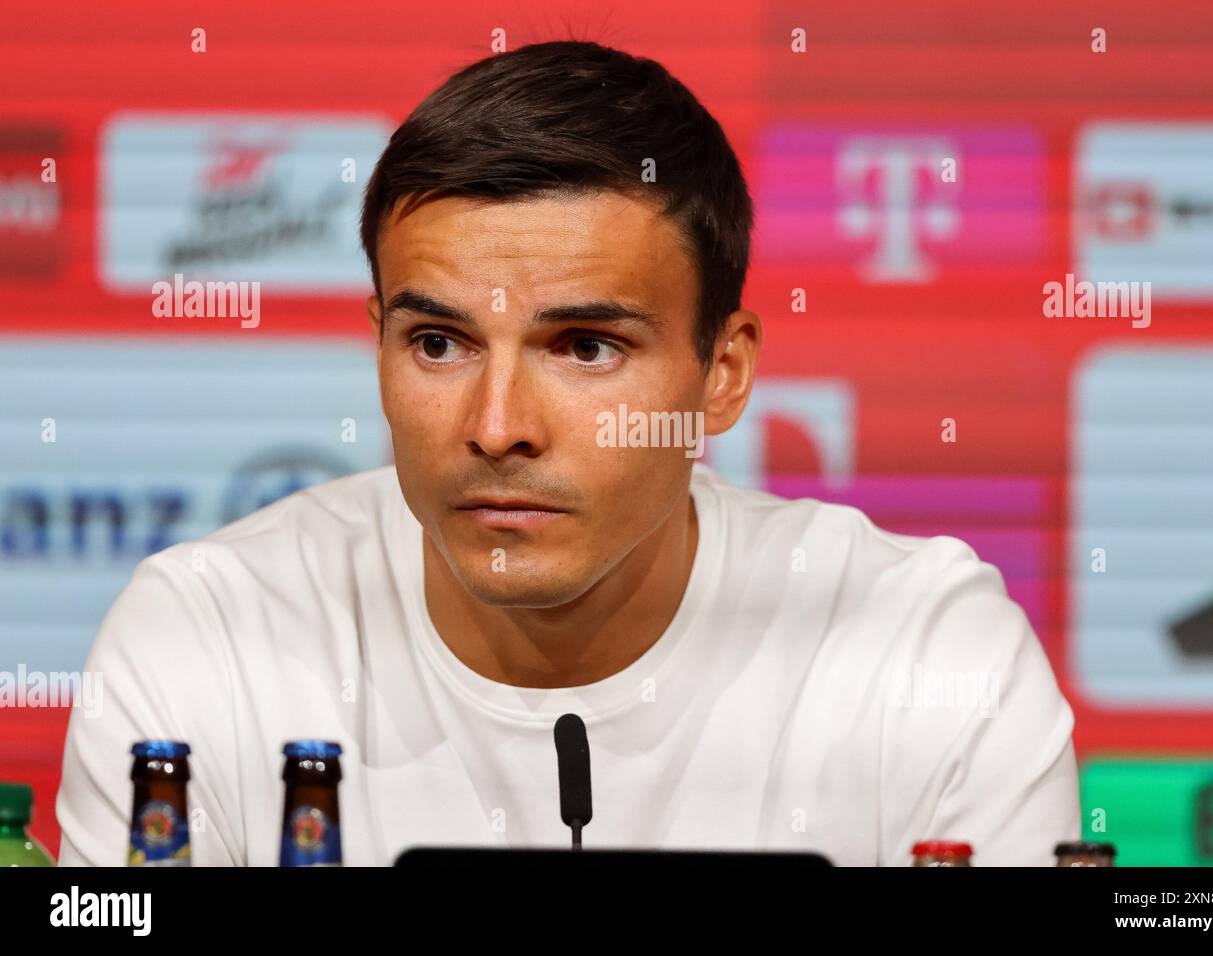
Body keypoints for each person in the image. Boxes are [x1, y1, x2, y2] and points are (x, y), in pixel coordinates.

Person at [56, 40, 1079, 866]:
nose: (497, 424)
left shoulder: (922, 652)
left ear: (721, 371)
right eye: (439, 342)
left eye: (585, 346)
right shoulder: (206, 635)